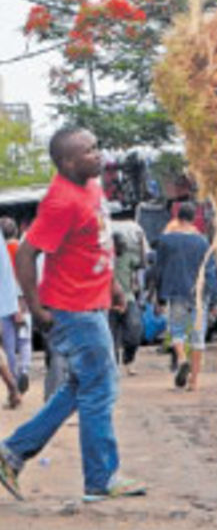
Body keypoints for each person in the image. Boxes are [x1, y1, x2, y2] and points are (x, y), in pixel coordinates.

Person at [0, 127, 145, 502]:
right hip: (72, 309)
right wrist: (34, 306)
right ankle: (100, 478)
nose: (98, 155)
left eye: (97, 147)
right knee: (100, 387)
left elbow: (97, 241)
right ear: (66, 163)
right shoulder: (60, 201)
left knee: (81, 386)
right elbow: (29, 253)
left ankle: (11, 454)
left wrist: (113, 285)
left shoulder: (92, 187)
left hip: (92, 299)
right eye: (88, 151)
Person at [151, 202, 209, 390]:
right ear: (193, 219)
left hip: (176, 292)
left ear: (177, 217)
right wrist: (214, 297)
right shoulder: (202, 241)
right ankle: (194, 382)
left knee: (177, 331)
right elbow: (209, 270)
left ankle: (182, 359)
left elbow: (158, 269)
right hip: (199, 294)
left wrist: (159, 296)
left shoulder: (166, 240)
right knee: (198, 337)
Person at [0, 218, 31, 393]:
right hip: (22, 300)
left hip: (4, 303)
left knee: (9, 345)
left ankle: (14, 381)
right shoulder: (23, 249)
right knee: (24, 339)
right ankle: (24, 369)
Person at [108, 231, 144, 376]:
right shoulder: (106, 259)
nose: (123, 247)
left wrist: (141, 245)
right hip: (108, 302)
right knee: (111, 336)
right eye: (120, 245)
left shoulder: (128, 257)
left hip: (128, 298)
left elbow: (141, 264)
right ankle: (113, 365)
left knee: (134, 331)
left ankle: (128, 359)